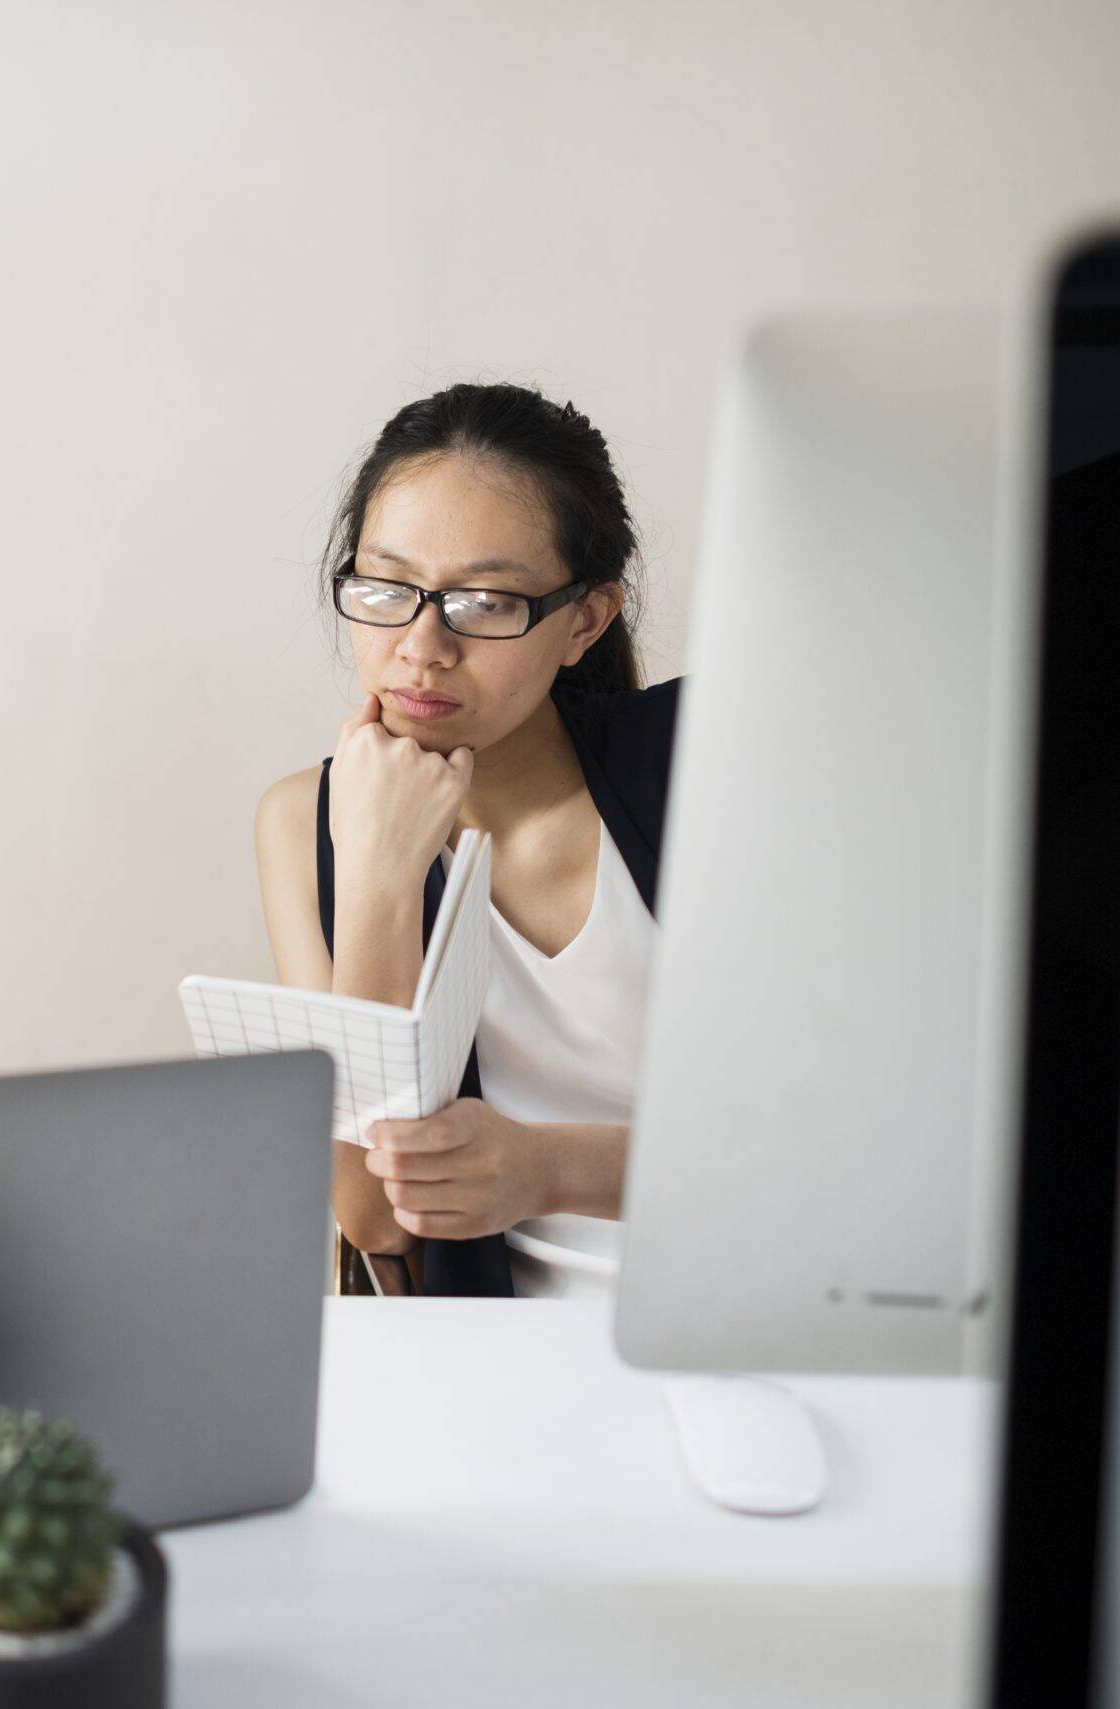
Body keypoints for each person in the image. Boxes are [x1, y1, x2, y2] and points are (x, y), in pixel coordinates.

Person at [253, 383, 678, 1298]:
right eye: (388, 588)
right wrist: (376, 874)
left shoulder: (708, 758)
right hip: (495, 1356)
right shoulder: (304, 820)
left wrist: (552, 1167)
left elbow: (848, 1137)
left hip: (768, 1321)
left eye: (484, 602)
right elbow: (372, 1214)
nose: (422, 646)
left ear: (586, 621)